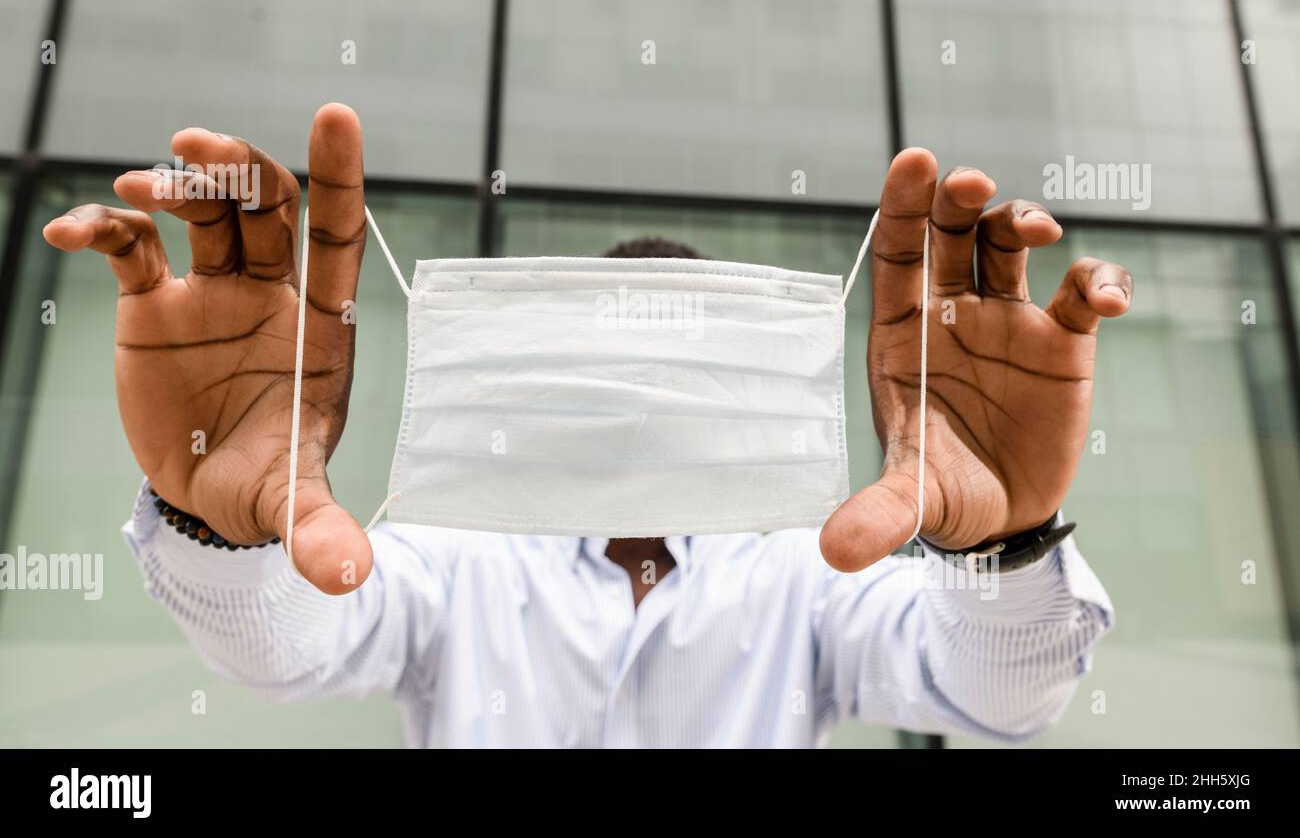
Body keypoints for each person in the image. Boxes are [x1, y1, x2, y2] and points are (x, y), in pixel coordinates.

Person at [42, 103, 1133, 747]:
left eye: (685, 364)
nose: (647, 397)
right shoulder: (454, 555)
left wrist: (1004, 543)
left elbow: (995, 691)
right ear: (558, 375)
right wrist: (216, 525)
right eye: (614, 363)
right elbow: (284, 648)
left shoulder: (808, 570)